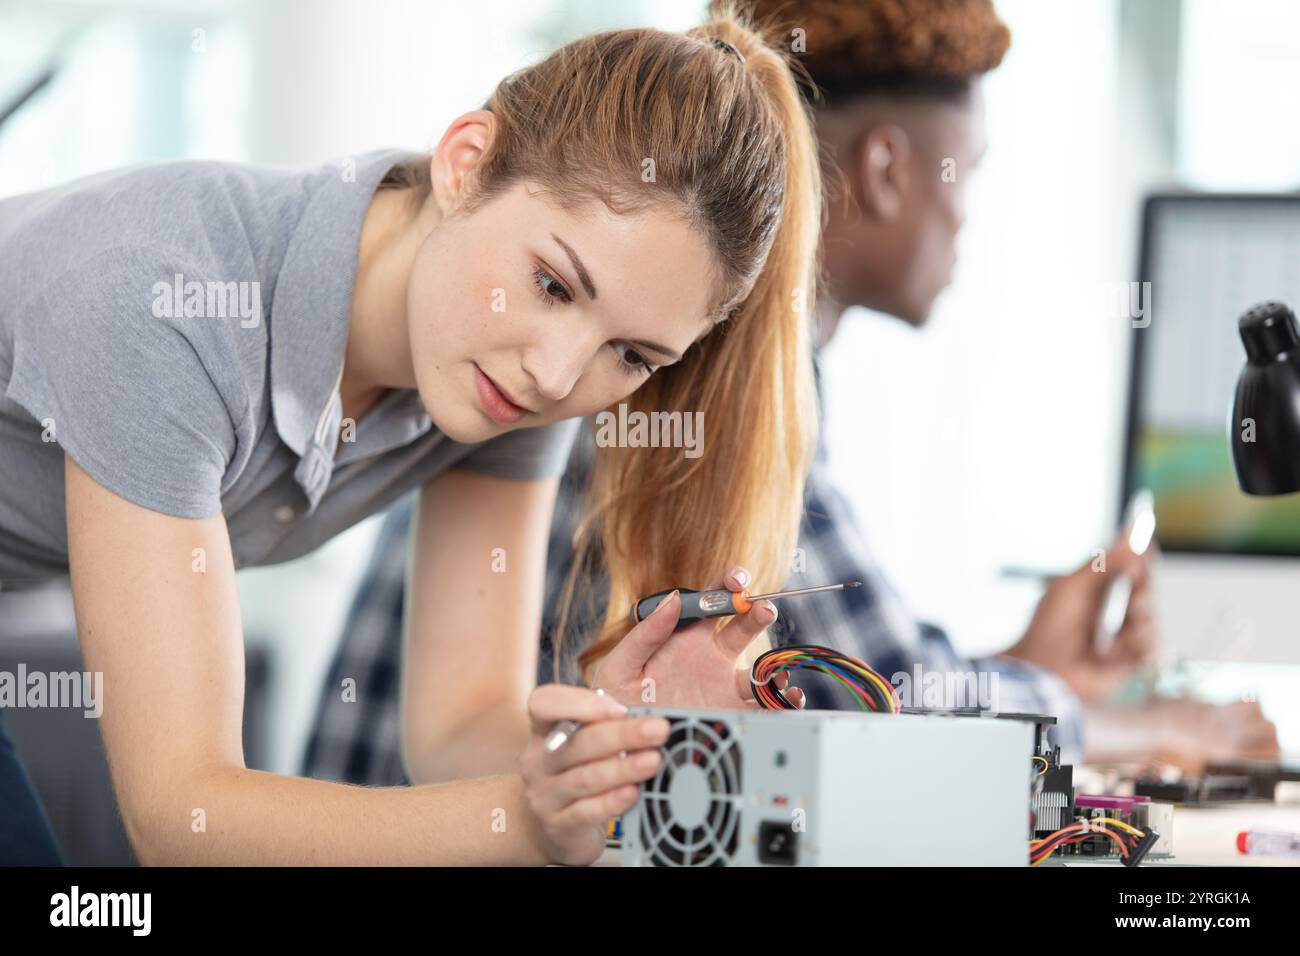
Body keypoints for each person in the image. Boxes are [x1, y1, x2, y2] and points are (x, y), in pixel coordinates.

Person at [303, 0, 1278, 792]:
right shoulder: (677, 361)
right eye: (965, 174)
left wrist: (1040, 668)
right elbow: (888, 697)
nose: (966, 215)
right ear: (889, 171)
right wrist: (1154, 723)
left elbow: (842, 678)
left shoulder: (615, 332)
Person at [0, 7, 824, 865]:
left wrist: (607, 754)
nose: (557, 374)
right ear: (466, 163)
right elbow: (184, 819)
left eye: (629, 353)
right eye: (549, 284)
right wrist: (526, 826)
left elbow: (459, 725)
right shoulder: (159, 301)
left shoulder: (502, 379)